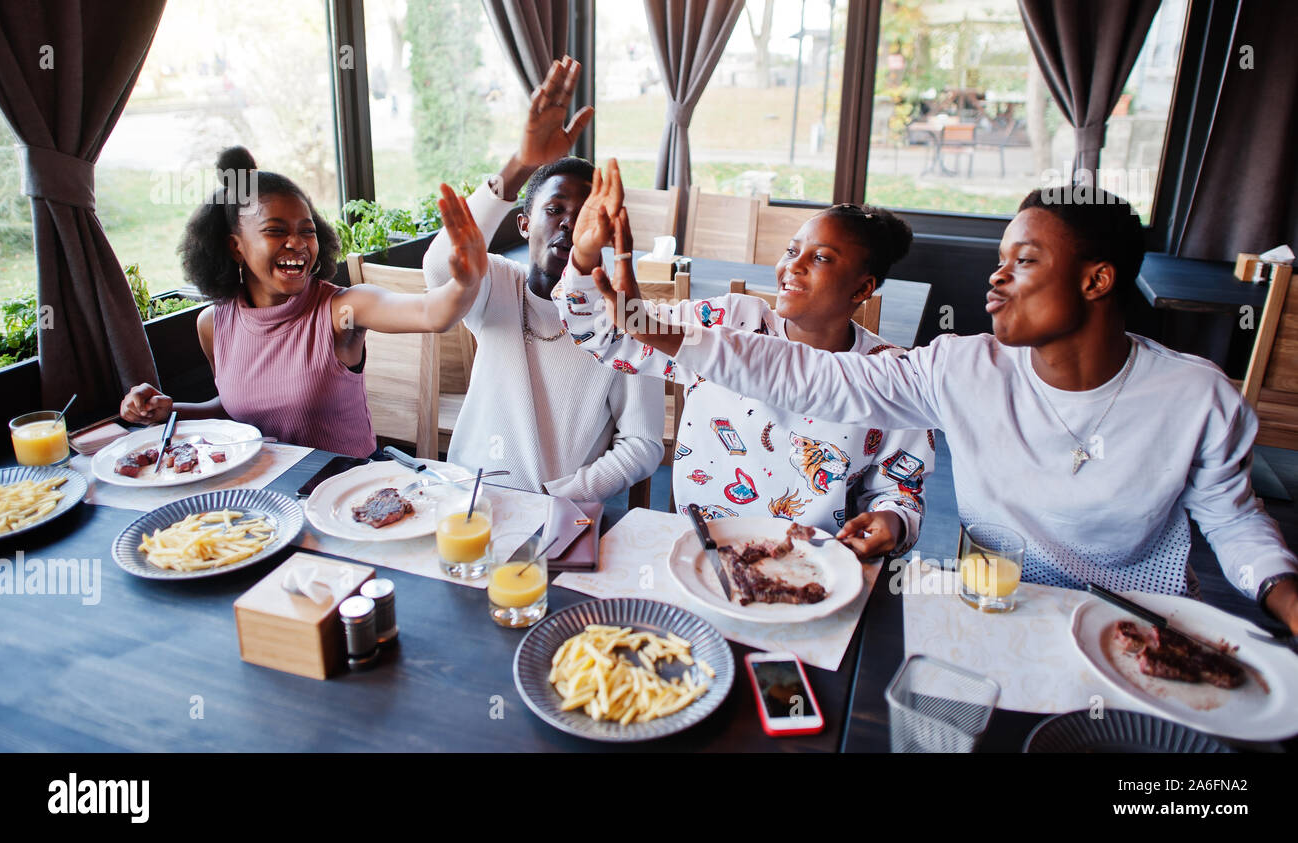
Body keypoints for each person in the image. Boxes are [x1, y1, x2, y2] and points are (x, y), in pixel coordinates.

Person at [590, 184, 1298, 633]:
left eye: (1023, 261)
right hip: (999, 609)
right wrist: (649, 322)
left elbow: (1234, 519)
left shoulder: (1197, 396)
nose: (995, 275)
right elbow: (813, 378)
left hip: (1138, 623)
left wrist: (1284, 593)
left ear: (1097, 279)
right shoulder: (963, 367)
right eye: (999, 258)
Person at [557, 159, 935, 560]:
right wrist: (584, 257)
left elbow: (901, 490)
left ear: (863, 288)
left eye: (821, 257)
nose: (794, 264)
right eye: (792, 250)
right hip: (703, 552)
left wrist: (892, 520)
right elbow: (607, 335)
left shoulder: (892, 375)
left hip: (816, 563)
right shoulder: (729, 321)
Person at [120, 147, 488, 458]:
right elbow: (235, 410)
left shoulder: (341, 311)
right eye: (276, 231)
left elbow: (433, 313)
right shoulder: (213, 324)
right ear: (235, 246)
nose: (297, 244)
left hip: (345, 496)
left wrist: (465, 281)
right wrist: (167, 411)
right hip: (264, 497)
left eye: (307, 231)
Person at [421, 57, 664, 501]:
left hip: (560, 512)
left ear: (606, 228)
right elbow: (439, 271)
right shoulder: (497, 284)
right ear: (524, 225)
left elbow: (642, 444)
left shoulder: (626, 315)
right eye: (554, 211)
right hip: (467, 499)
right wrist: (521, 163)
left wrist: (563, 496)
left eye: (585, 215)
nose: (569, 225)